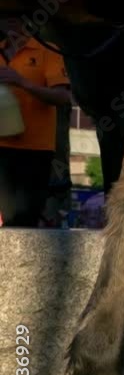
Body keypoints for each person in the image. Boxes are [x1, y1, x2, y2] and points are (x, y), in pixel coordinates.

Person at [0, 17, 73, 227]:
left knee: (23, 219)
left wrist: (21, 82)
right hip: (1, 148)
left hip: (34, 151)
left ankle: (22, 259)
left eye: (18, 19)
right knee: (8, 218)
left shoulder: (48, 51)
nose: (12, 24)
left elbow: (62, 97)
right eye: (7, 19)